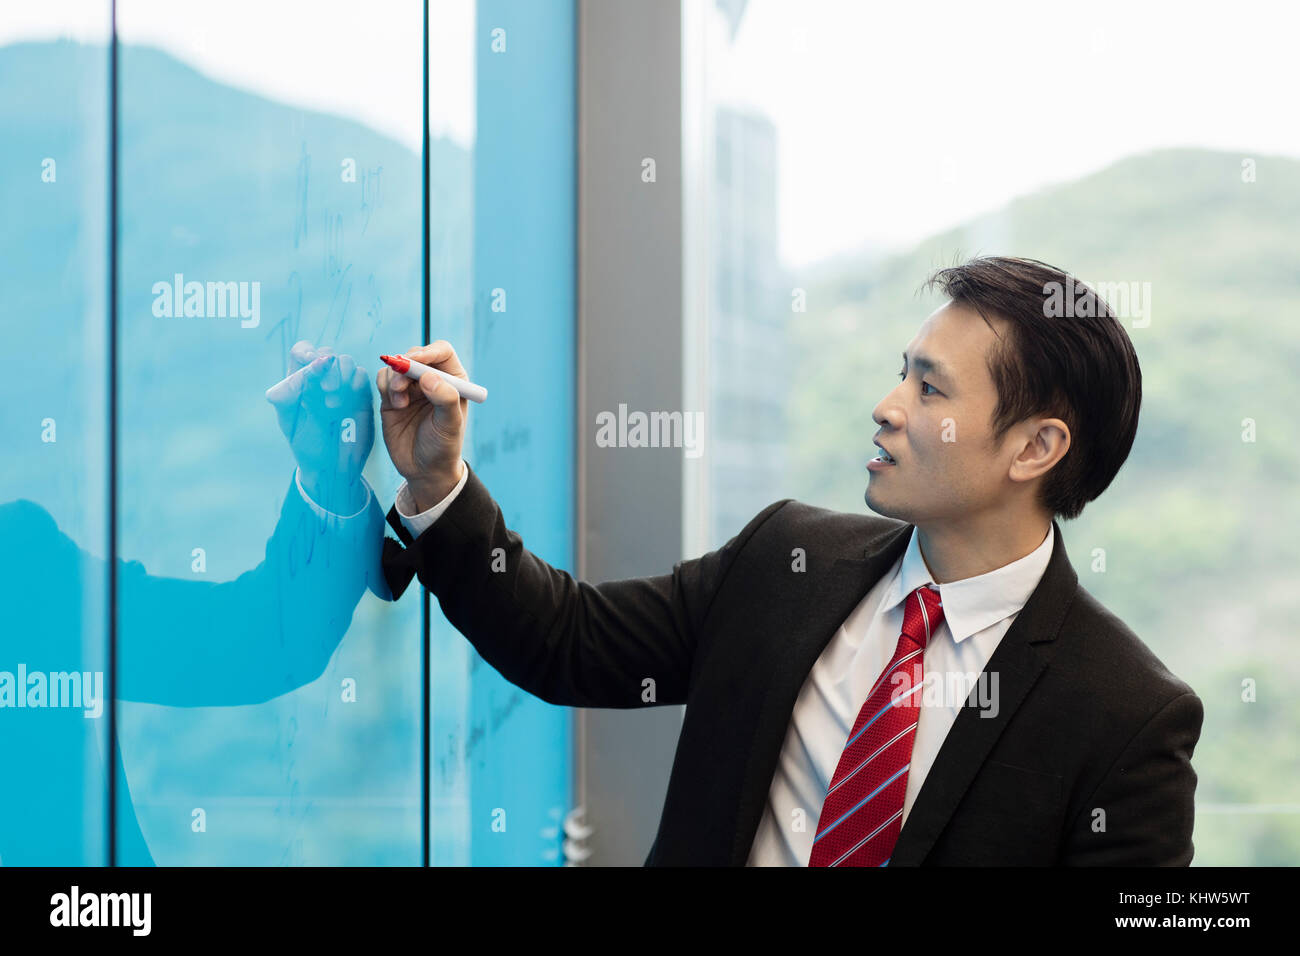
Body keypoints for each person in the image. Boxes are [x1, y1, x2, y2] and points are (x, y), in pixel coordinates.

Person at [373, 256, 1203, 866]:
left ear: (1035, 448)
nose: (886, 407)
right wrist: (440, 480)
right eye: (898, 376)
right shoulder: (788, 559)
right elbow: (566, 640)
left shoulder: (1127, 714)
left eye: (930, 390)